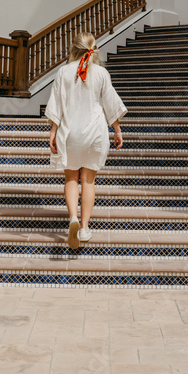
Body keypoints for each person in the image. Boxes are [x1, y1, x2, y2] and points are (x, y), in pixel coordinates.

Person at [46, 32, 126, 249]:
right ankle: (84, 227)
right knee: (88, 181)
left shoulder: (63, 72)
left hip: (70, 133)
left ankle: (72, 217)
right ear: (93, 48)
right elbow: (110, 103)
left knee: (71, 179)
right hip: (95, 134)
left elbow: (56, 105)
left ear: (73, 48)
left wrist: (53, 132)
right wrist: (117, 130)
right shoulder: (101, 73)